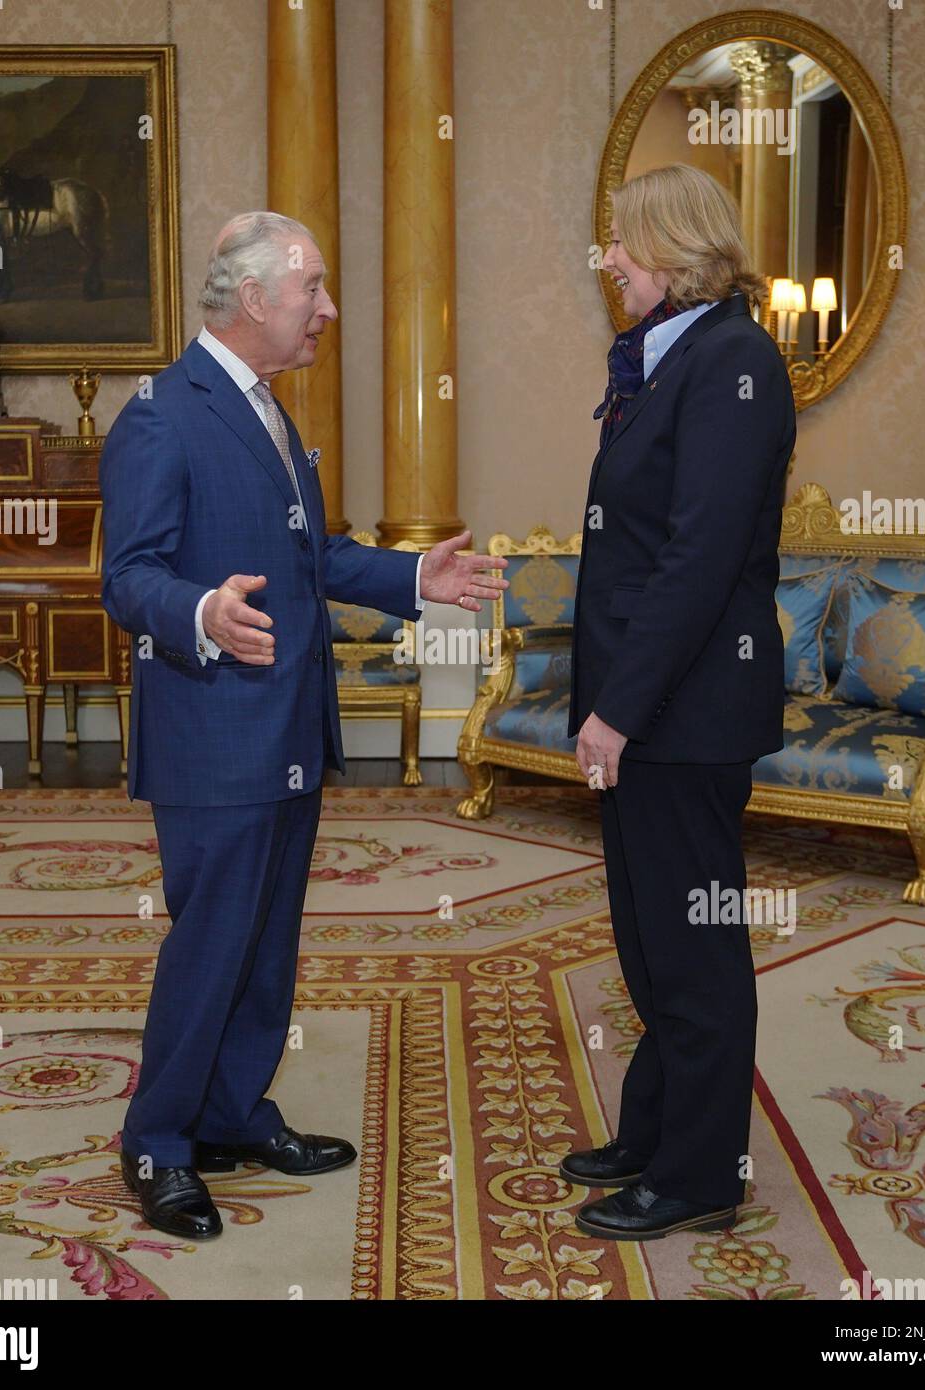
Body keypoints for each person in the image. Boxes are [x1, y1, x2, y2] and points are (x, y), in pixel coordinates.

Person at [100, 210, 508, 1240]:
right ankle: (158, 1140)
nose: (327, 310)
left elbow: (313, 559)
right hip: (211, 729)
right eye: (313, 290)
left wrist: (418, 575)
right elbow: (129, 575)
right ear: (252, 300)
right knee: (212, 942)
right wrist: (199, 612)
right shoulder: (162, 410)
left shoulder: (274, 413)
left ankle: (234, 1112)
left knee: (268, 942)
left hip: (284, 727)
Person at [564, 164, 796, 1240]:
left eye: (620, 241)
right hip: (650, 707)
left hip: (685, 714)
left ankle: (701, 1173)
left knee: (696, 944)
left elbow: (699, 560)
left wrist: (619, 709)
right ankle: (656, 1128)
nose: (608, 259)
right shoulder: (672, 358)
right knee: (653, 937)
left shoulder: (736, 361)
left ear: (671, 244)